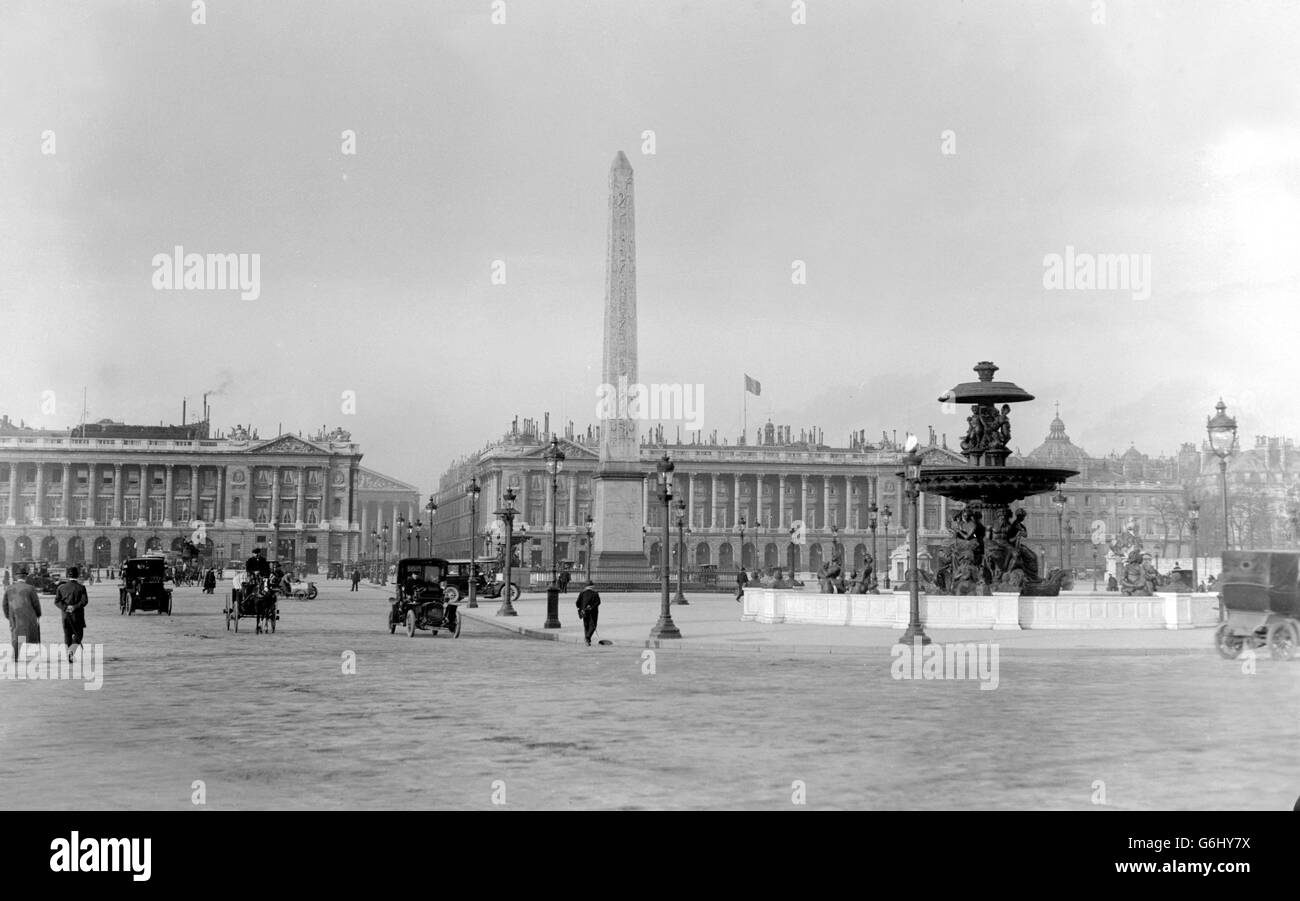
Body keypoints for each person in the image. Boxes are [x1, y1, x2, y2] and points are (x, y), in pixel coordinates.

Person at [3, 570, 42, 658]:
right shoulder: (30, 588)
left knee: (15, 633)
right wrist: (38, 614)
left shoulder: (9, 588)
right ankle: (21, 652)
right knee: (25, 633)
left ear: (16, 577)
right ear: (25, 577)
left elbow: (4, 604)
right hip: (28, 616)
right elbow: (35, 603)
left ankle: (16, 653)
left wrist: (8, 616)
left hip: (14, 615)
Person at [54, 565, 89, 661]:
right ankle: (72, 651)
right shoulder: (81, 588)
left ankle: (69, 652)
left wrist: (65, 608)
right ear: (77, 575)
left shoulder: (61, 588)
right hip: (77, 616)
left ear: (67, 575)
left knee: (67, 635)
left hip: (65, 616)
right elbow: (84, 601)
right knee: (79, 635)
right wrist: (75, 607)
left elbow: (57, 601)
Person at [575, 582, 601, 646]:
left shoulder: (582, 593)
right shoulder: (595, 593)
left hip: (584, 612)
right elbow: (598, 602)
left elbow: (577, 603)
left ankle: (587, 641)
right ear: (592, 586)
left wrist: (581, 608)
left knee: (586, 626)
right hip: (593, 613)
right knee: (593, 626)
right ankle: (587, 637)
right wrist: (591, 607)